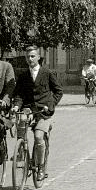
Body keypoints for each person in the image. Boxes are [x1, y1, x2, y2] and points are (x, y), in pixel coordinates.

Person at [10, 45, 62, 174]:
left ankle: (40, 167)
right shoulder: (23, 75)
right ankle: (21, 150)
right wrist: (16, 106)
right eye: (28, 57)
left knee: (39, 138)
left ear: (38, 57)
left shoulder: (47, 73)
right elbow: (19, 94)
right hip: (29, 109)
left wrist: (49, 105)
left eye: (33, 56)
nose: (30, 59)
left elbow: (58, 92)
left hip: (43, 112)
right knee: (21, 123)